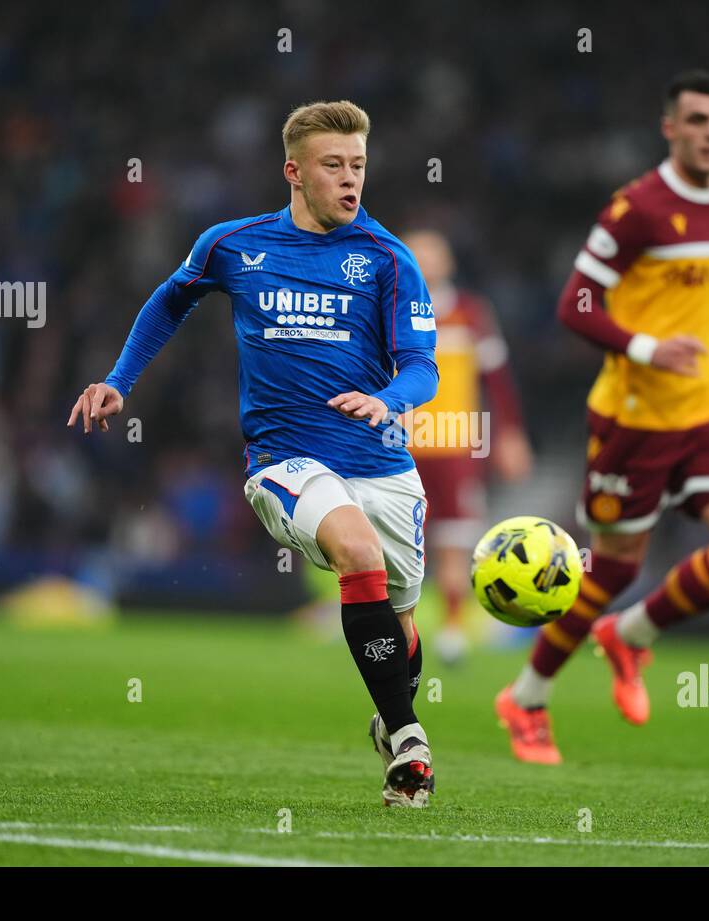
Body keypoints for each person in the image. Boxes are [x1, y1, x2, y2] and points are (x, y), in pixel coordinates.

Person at [67, 101, 440, 806]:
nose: (350, 180)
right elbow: (170, 301)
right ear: (294, 171)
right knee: (356, 552)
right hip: (286, 460)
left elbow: (423, 365)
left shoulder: (390, 259)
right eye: (334, 166)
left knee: (400, 623)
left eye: (358, 165)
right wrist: (119, 381)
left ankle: (391, 715)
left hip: (384, 461)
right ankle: (408, 737)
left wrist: (388, 399)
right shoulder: (232, 245)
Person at [495, 71, 709, 764]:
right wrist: (646, 347)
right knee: (611, 572)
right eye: (698, 120)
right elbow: (575, 304)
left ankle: (632, 635)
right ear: (670, 127)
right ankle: (525, 697)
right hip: (632, 422)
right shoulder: (637, 209)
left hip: (707, 414)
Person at [399, 229, 532, 665]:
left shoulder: (472, 314)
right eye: (415, 254)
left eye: (432, 254)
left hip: (456, 443)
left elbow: (496, 377)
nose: (424, 262)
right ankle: (400, 631)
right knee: (402, 541)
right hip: (401, 445)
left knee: (454, 539)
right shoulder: (390, 311)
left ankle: (453, 628)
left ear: (448, 263)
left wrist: (510, 433)